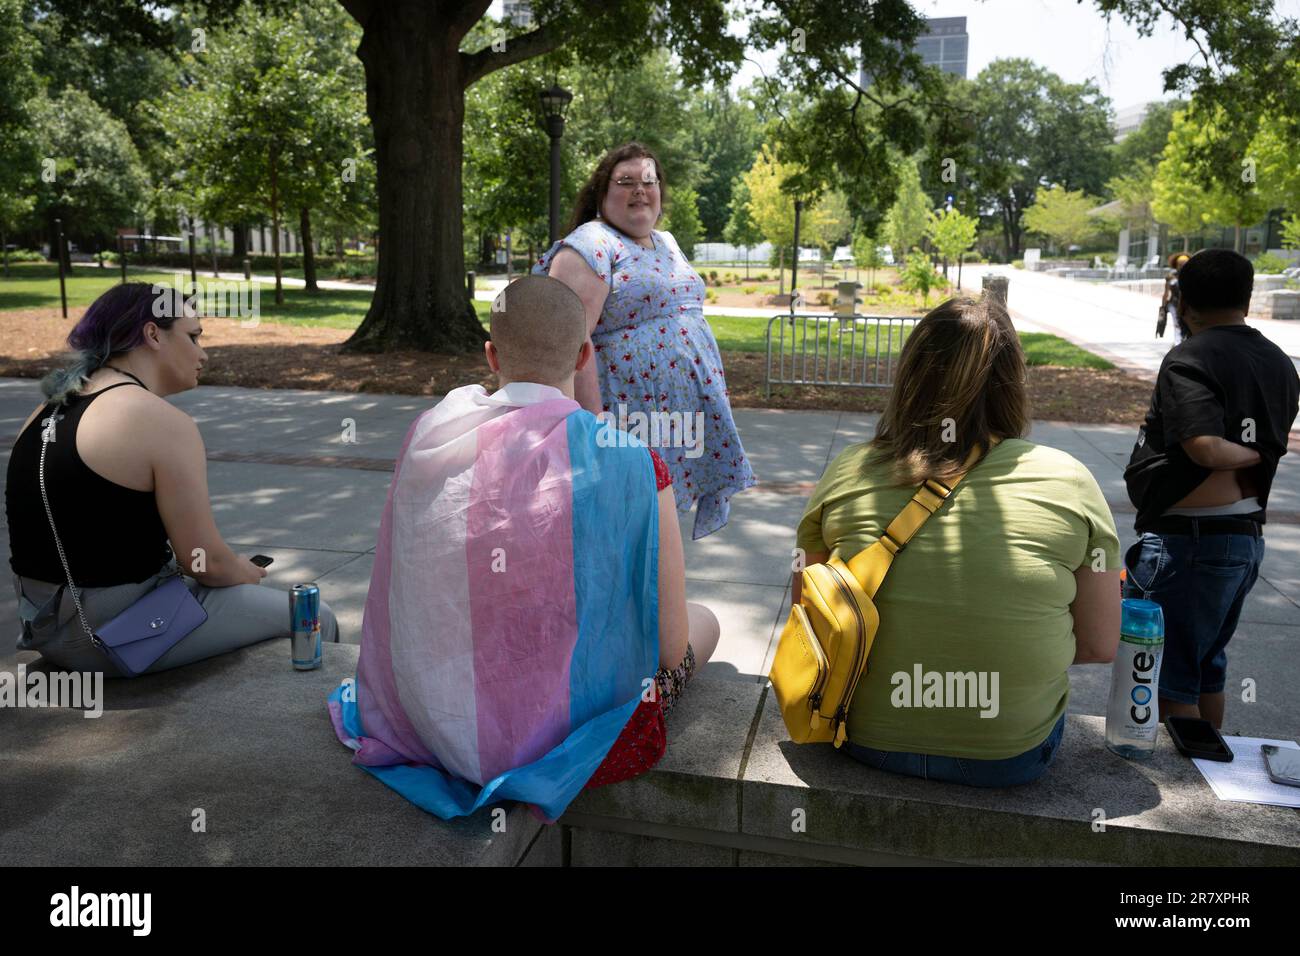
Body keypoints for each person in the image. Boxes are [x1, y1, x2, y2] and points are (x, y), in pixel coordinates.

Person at [327, 275, 719, 821]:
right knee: (704, 622)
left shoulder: (430, 437)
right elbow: (670, 649)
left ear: (491, 355)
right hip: (572, 743)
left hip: (432, 726)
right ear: (585, 355)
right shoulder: (635, 462)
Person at [793, 295, 1121, 787]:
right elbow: (1099, 644)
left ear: (910, 375)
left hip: (861, 739)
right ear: (1013, 383)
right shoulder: (1069, 479)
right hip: (1010, 755)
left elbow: (807, 610)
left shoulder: (849, 469)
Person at [6, 282, 339, 676]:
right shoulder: (159, 421)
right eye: (194, 336)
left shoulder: (47, 409)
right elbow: (206, 563)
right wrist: (245, 571)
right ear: (152, 334)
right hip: (110, 638)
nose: (203, 353)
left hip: (44, 626)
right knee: (315, 614)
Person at [534, 141, 756, 539]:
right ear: (602, 193)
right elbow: (570, 337)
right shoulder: (590, 245)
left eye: (649, 181)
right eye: (626, 181)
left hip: (673, 424)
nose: (640, 189)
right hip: (622, 422)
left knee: (655, 530)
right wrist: (593, 425)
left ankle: (656, 602)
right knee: (620, 531)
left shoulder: (666, 241)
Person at [1123, 249, 1300, 729]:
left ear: (1184, 302)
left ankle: (1187, 791)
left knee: (1173, 677)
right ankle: (1212, 778)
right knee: (1205, 671)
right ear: (1246, 298)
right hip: (1243, 540)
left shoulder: (1191, 358)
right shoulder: (1279, 362)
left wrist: (1254, 453)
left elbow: (1202, 446)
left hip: (1190, 541)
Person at [1157, 252, 1191, 342]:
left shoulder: (1191, 276)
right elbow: (1166, 293)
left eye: (1184, 264)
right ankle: (1178, 342)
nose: (1182, 266)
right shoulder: (1171, 277)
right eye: (1180, 264)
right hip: (1174, 304)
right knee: (1177, 323)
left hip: (1187, 304)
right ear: (1176, 265)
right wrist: (1163, 306)